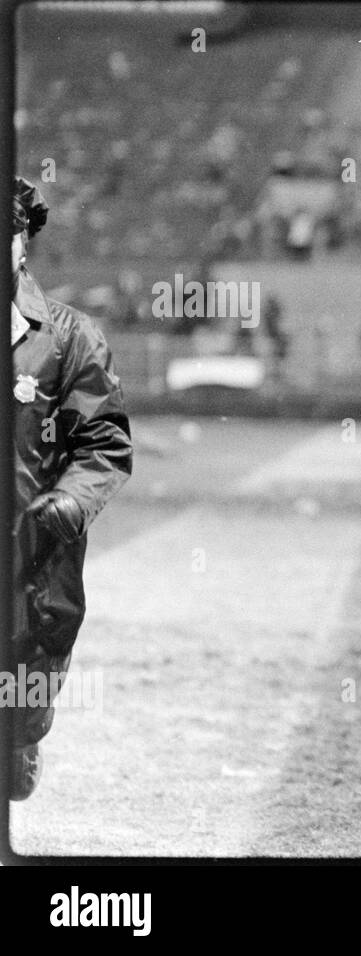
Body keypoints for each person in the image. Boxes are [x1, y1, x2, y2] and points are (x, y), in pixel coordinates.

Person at [8, 176, 133, 800]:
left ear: (20, 242)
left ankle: (20, 737)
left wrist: (73, 500)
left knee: (18, 702)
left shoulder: (69, 337)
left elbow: (105, 441)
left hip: (33, 554)